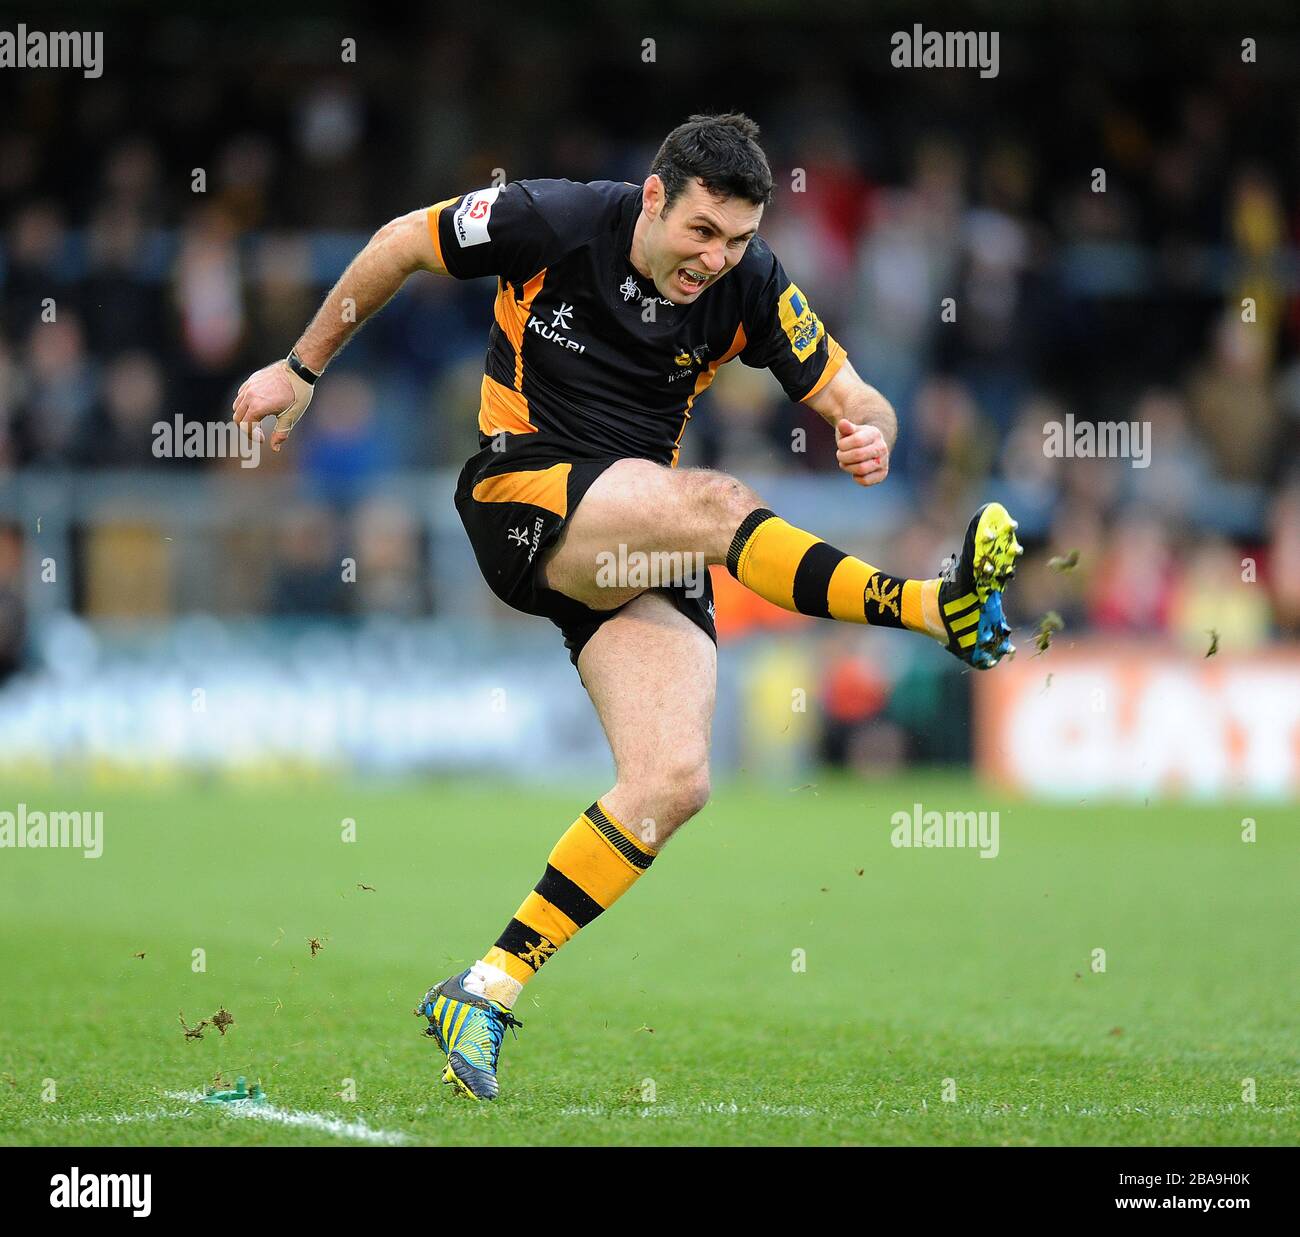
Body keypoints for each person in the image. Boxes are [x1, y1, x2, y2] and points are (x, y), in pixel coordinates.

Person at [232, 112, 1020, 1101]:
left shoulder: (752, 281)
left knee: (672, 780)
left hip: (639, 534)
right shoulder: (550, 219)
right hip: (522, 492)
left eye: (735, 239)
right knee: (722, 503)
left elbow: (856, 393)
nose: (715, 259)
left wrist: (869, 431)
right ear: (654, 197)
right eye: (701, 232)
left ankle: (485, 984)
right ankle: (929, 606)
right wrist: (300, 369)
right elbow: (401, 243)